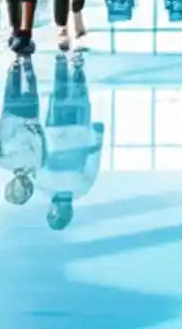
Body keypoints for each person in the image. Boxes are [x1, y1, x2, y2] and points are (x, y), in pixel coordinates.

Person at [38, 54, 104, 231]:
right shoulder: (44, 185)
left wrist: (98, 137)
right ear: (56, 212)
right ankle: (63, 59)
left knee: (76, 95)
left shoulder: (82, 187)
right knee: (60, 93)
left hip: (75, 131)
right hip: (57, 131)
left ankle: (76, 65)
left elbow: (93, 160)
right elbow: (39, 155)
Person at [0, 61, 43, 206]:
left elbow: (1, 138)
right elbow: (39, 142)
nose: (23, 187)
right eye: (25, 191)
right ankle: (27, 62)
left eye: (18, 191)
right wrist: (34, 130)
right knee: (29, 83)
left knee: (12, 83)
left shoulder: (4, 162)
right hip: (28, 119)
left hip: (11, 116)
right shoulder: (36, 164)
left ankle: (15, 64)